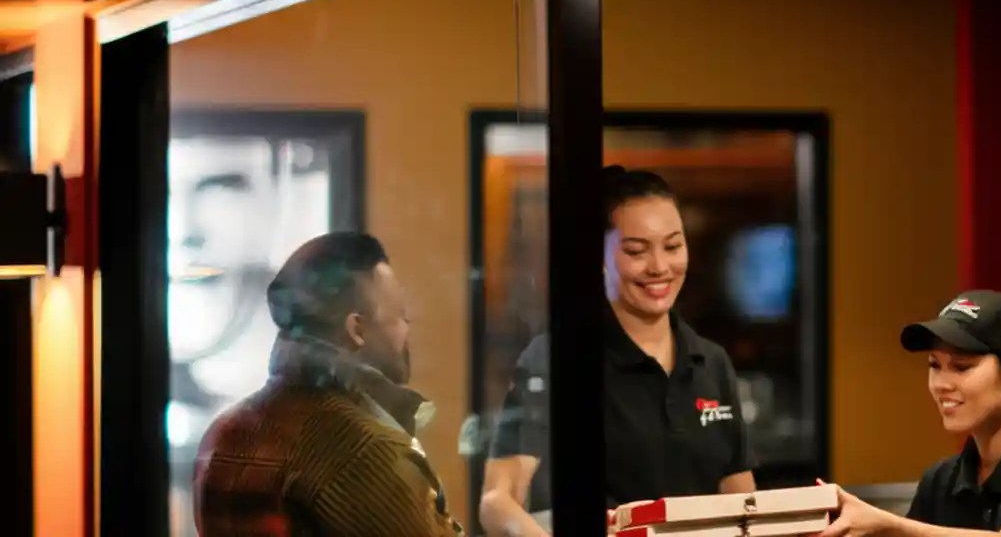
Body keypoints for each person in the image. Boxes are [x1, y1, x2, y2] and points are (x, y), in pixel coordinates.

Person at [478, 166, 757, 536]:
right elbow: (498, 502)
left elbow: (742, 502)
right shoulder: (559, 359)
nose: (660, 267)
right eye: (636, 251)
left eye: (673, 246)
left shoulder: (712, 362)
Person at [192, 232, 463, 536]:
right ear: (357, 328)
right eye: (400, 314)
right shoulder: (367, 453)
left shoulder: (222, 434)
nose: (407, 325)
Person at [823, 290, 1001, 537]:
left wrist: (889, 526)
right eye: (934, 365)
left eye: (961, 367)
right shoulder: (941, 480)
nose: (941, 384)